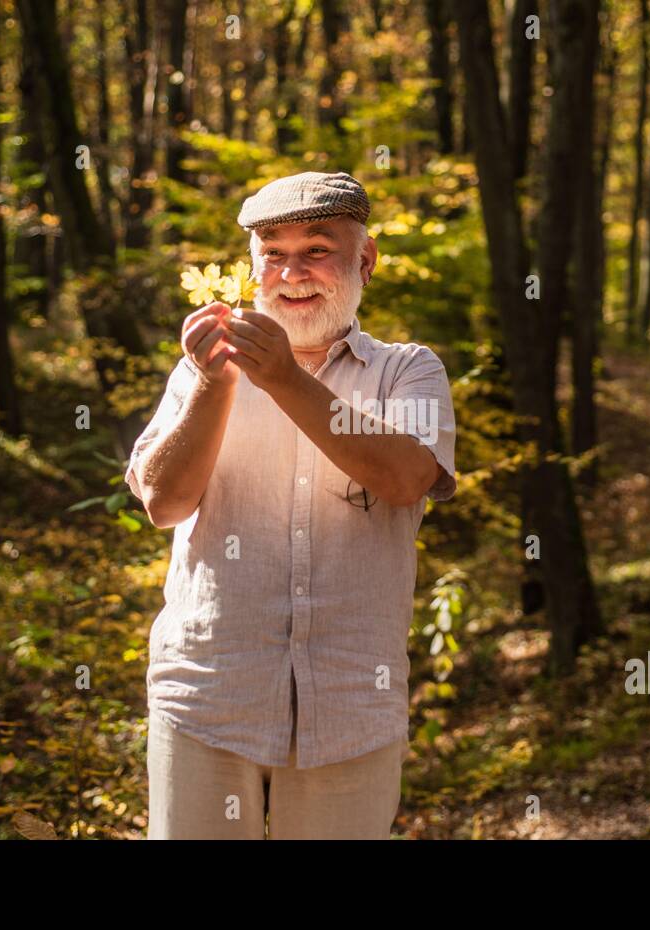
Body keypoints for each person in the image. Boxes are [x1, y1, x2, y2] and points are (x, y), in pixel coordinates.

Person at [125, 171, 458, 839]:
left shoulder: (409, 370)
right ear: (253, 270)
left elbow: (404, 478)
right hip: (207, 696)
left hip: (353, 708)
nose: (292, 272)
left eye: (316, 249)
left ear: (364, 261)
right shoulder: (200, 370)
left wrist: (279, 377)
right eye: (272, 253)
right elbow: (161, 501)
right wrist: (216, 383)